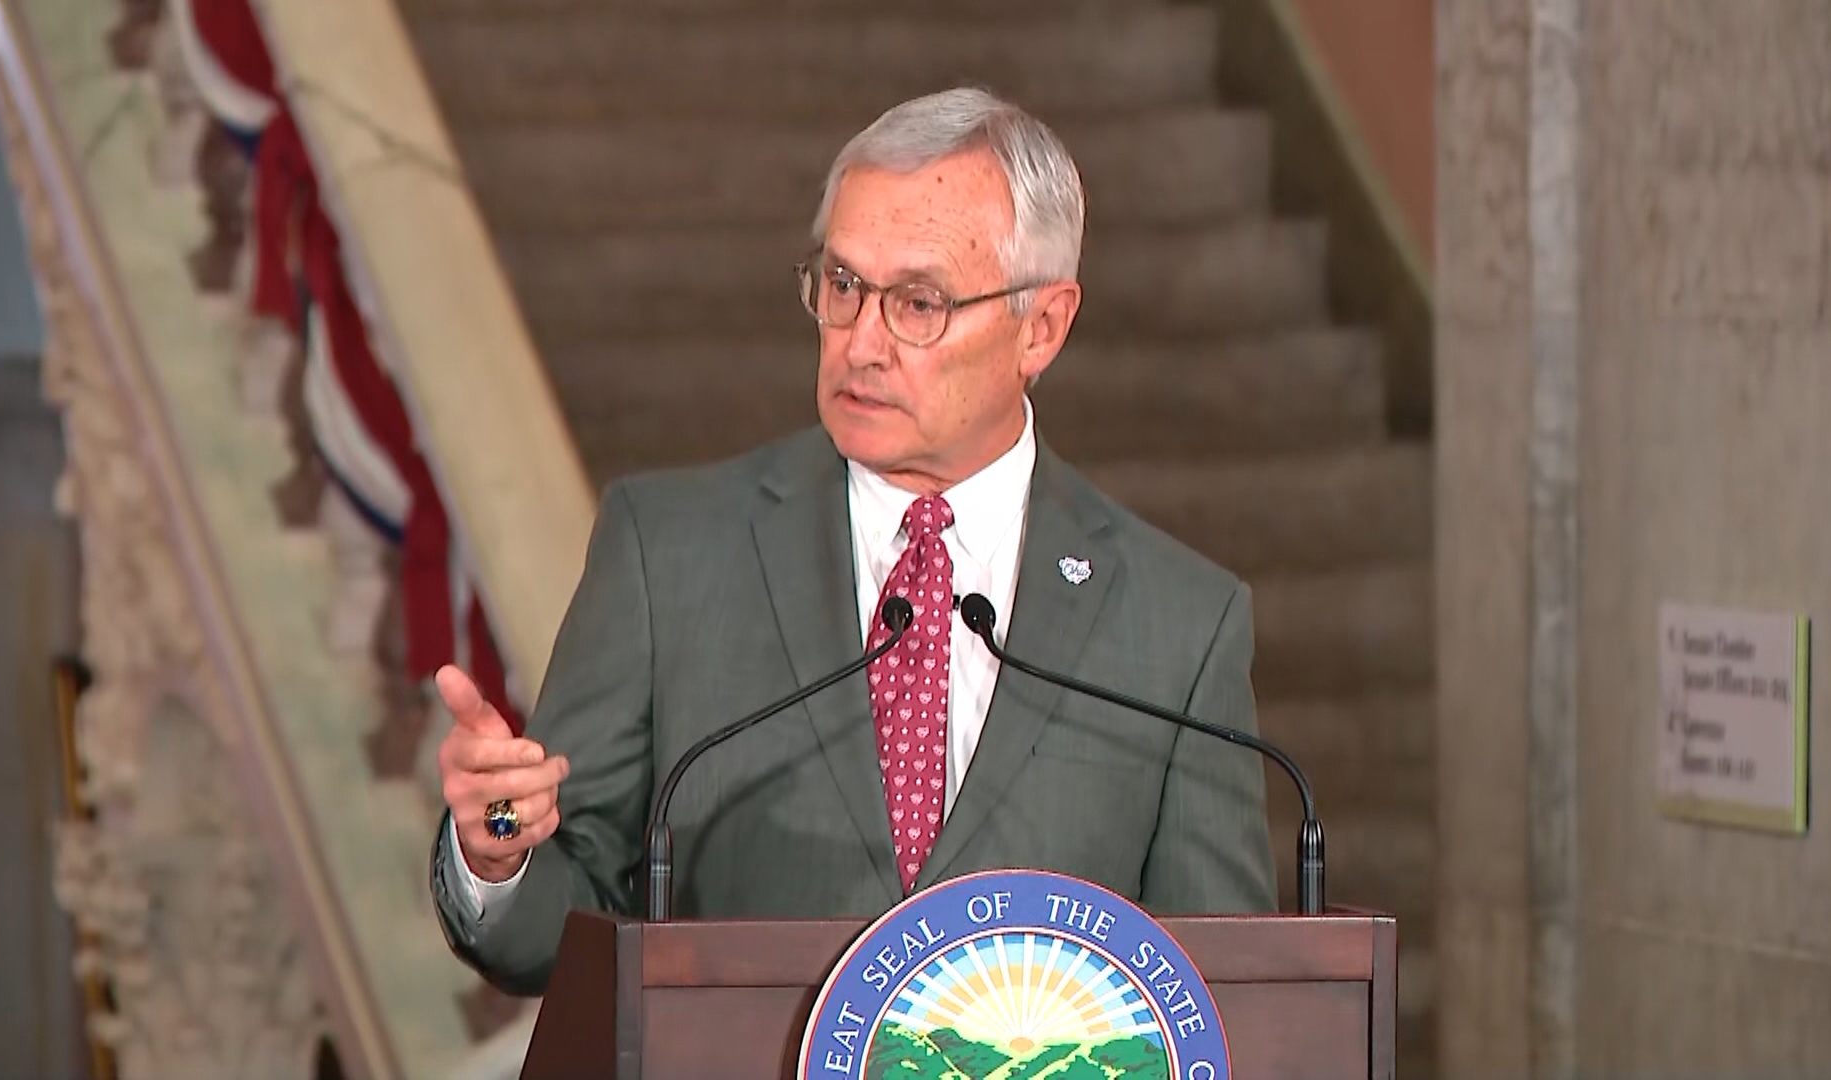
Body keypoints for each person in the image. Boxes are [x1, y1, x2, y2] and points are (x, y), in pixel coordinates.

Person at [429, 87, 1277, 995]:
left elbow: (1225, 992)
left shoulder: (1180, 626)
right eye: (842, 286)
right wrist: (500, 851)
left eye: (918, 303)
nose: (862, 344)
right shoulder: (670, 556)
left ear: (1043, 326)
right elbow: (567, 931)